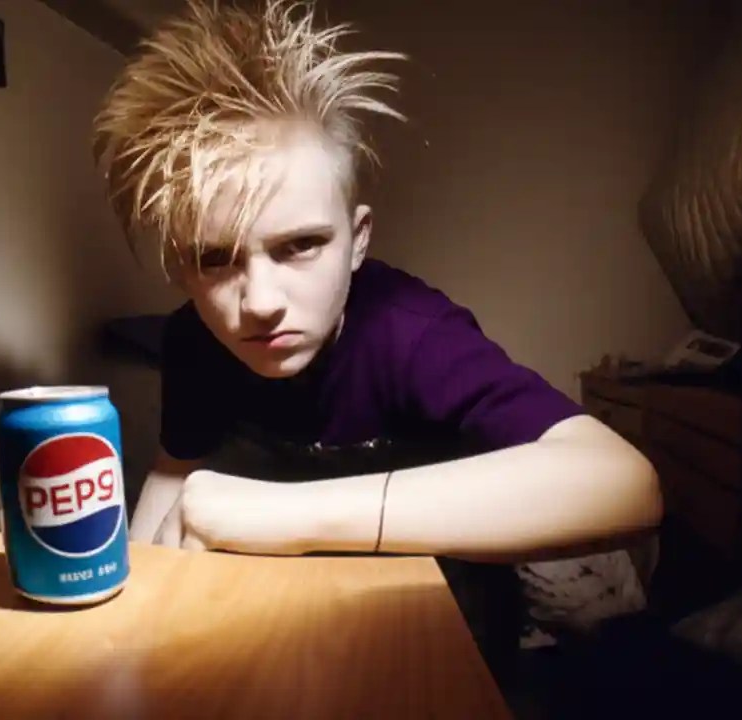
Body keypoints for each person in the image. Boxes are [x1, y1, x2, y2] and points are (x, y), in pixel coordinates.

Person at [91, 0, 661, 672]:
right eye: (214, 259)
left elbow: (625, 484)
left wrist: (282, 515)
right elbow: (174, 468)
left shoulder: (407, 333)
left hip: (460, 607)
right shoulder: (193, 340)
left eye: (301, 245)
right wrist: (127, 616)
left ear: (357, 240)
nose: (261, 304)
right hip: (323, 607)